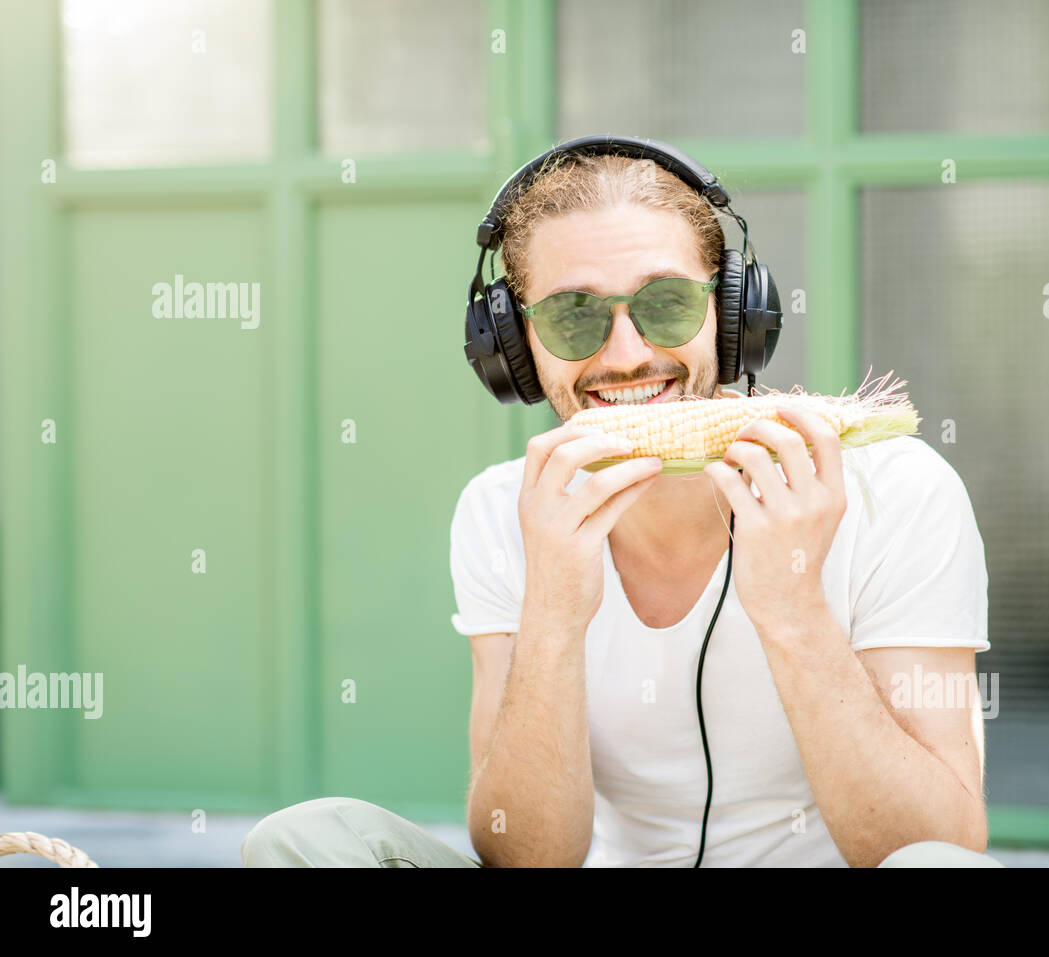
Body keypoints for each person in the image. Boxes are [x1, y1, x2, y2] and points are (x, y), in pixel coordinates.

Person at [242, 137, 1001, 868]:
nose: (627, 354)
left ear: (733, 314)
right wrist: (554, 610)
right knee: (304, 840)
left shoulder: (896, 490)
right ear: (513, 347)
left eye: (666, 304)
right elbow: (525, 855)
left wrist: (794, 610)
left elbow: (937, 840)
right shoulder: (502, 513)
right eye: (574, 316)